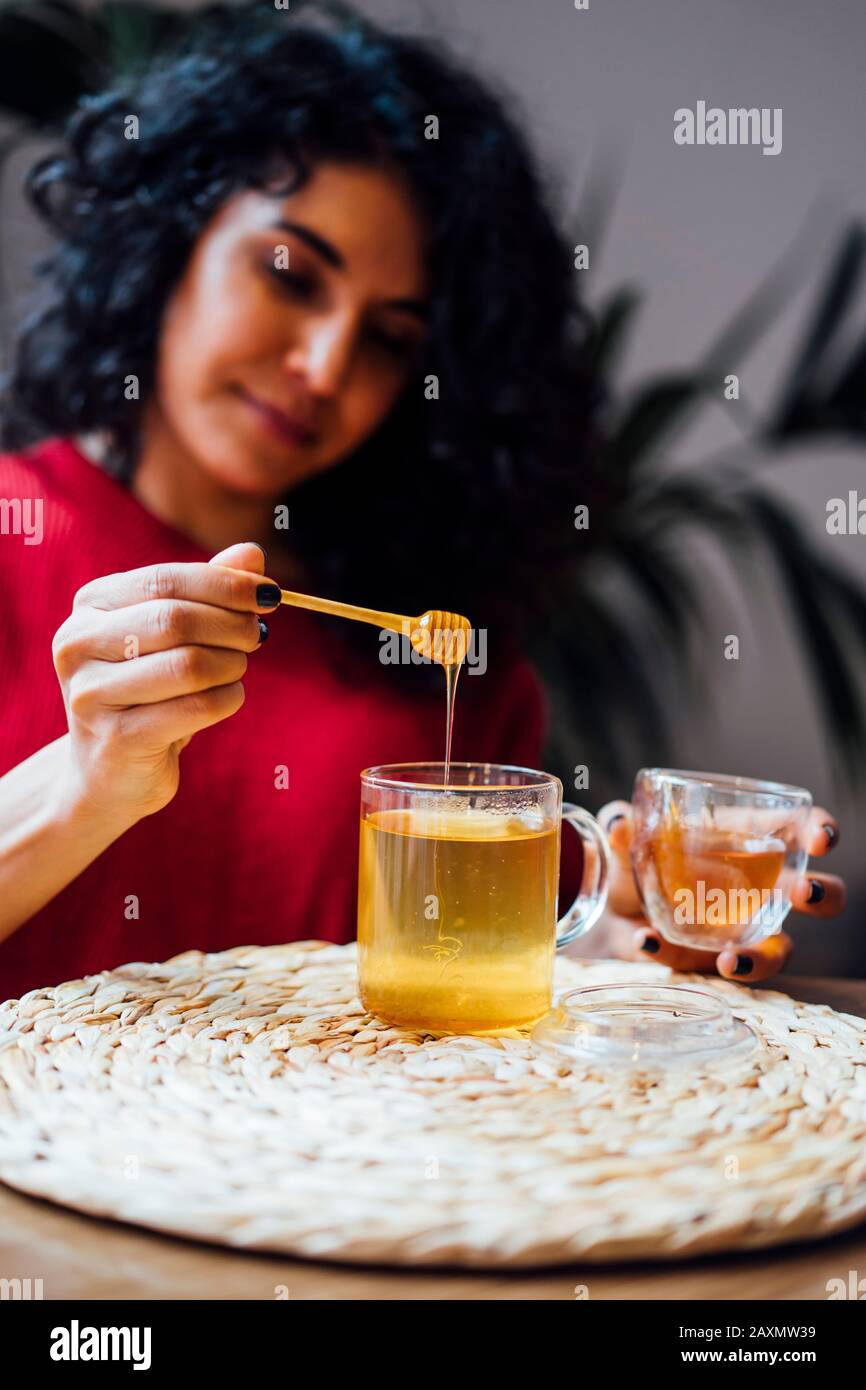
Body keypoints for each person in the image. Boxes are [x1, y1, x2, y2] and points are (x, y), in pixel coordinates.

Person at [0, 4, 843, 998]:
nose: (319, 368)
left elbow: (486, 990)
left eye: (389, 339)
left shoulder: (447, 656)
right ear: (164, 244)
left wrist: (616, 944)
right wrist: (79, 785)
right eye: (289, 273)